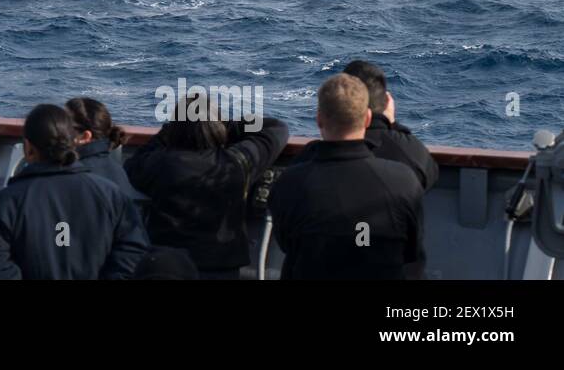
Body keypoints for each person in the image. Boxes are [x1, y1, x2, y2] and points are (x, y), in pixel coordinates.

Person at [269, 74, 424, 280]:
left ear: (319, 119)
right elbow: (411, 251)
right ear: (368, 118)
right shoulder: (403, 181)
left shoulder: (289, 184)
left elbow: (286, 243)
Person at [125, 90, 288, 279]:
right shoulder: (236, 163)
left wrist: (171, 129)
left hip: (168, 266)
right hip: (221, 267)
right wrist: (226, 126)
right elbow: (275, 128)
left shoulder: (160, 164)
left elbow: (134, 163)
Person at [0, 104, 149, 279]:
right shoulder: (111, 195)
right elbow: (132, 255)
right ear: (73, 142)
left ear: (28, 148)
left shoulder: (8, 202)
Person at [342, 60, 439, 191]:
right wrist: (390, 122)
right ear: (387, 101)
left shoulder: (312, 160)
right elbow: (429, 175)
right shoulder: (411, 154)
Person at [66, 97, 135, 197]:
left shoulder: (76, 175)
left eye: (64, 124)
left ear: (85, 136)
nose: (59, 128)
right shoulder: (117, 170)